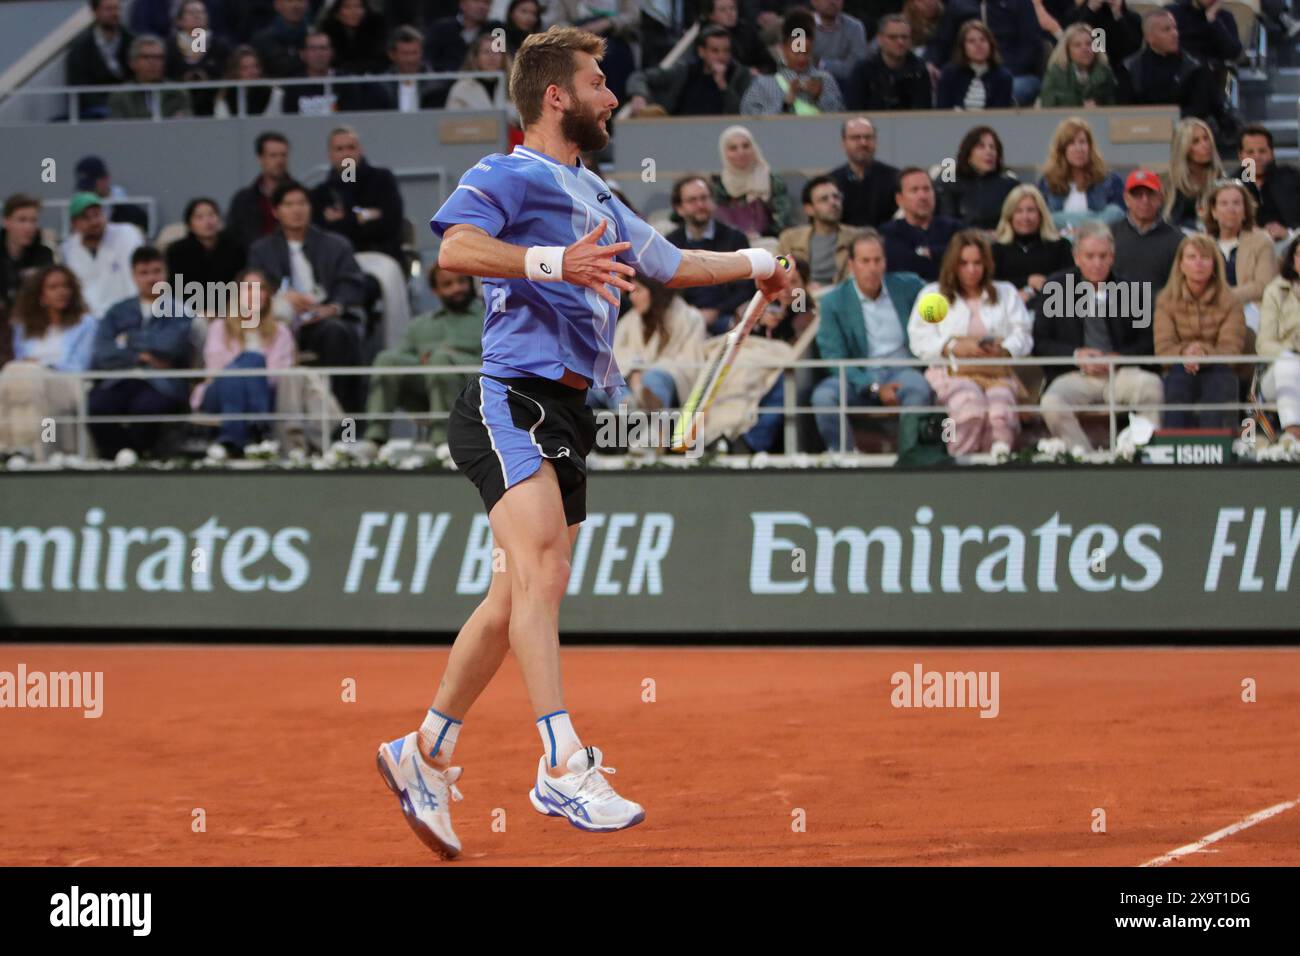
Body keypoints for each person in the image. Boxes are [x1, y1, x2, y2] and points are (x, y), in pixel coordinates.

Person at [384, 24, 795, 858]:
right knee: (539, 572)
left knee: (513, 601)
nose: (614, 97)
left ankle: (422, 752)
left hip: (569, 413)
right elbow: (457, 247)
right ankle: (562, 760)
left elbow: (672, 265)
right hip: (510, 398)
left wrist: (758, 260)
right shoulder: (506, 171)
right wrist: (553, 266)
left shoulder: (598, 194)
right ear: (557, 96)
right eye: (600, 83)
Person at [1030, 221, 1162, 450]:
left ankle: (1143, 452)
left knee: (1152, 386)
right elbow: (1041, 343)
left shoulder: (1131, 290)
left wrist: (1119, 357)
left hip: (1119, 372)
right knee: (1051, 403)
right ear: (1077, 257)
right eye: (1090, 256)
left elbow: (1148, 342)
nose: (1097, 263)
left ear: (1112, 257)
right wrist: (1076, 355)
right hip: (1075, 373)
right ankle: (1085, 457)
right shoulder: (1055, 288)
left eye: (1103, 256)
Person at [907, 229, 1034, 454]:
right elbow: (920, 338)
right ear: (953, 264)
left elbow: (1022, 333)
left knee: (1000, 412)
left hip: (997, 374)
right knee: (969, 407)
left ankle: (999, 465)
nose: (972, 270)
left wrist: (1004, 350)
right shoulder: (934, 295)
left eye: (977, 263)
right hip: (951, 374)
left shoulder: (1005, 293)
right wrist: (953, 346)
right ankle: (954, 461)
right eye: (964, 263)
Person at [248, 181, 368, 412]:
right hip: (278, 323)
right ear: (275, 211)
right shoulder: (261, 250)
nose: (297, 210)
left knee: (336, 332)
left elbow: (354, 284)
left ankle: (342, 417)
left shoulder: (336, 245)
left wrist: (332, 308)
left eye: (302, 203)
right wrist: (280, 295)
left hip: (323, 321)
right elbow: (252, 288)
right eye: (289, 204)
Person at [811, 228, 931, 452]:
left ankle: (910, 457)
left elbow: (940, 301)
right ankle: (843, 458)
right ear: (851, 265)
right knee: (824, 396)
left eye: (877, 260)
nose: (872, 268)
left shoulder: (909, 286)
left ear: (885, 261)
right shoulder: (833, 302)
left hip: (903, 369)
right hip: (858, 375)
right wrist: (873, 387)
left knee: (919, 391)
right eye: (865, 261)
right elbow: (833, 357)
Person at [87, 246, 194, 458]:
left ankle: (134, 457)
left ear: (166, 273)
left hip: (162, 382)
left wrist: (127, 340)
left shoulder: (180, 311)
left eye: (156, 271)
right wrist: (139, 356)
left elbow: (170, 346)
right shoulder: (117, 311)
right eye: (144, 273)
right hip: (120, 379)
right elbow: (102, 353)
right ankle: (122, 456)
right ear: (133, 276)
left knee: (146, 408)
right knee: (97, 405)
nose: (151, 278)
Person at [364, 264, 484, 445]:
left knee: (440, 359)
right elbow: (401, 362)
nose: (457, 288)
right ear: (436, 291)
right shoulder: (420, 325)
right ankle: (375, 437)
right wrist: (428, 360)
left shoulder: (489, 319)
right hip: (425, 394)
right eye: (447, 284)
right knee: (386, 359)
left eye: (461, 281)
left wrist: (448, 357)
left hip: (475, 392)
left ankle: (443, 439)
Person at [191, 266, 297, 454]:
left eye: (261, 288)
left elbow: (277, 376)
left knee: (251, 361)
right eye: (248, 288)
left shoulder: (281, 332)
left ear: (268, 295)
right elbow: (215, 372)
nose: (254, 294)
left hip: (266, 394)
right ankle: (260, 428)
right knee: (248, 363)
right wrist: (249, 370)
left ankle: (231, 440)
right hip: (217, 393)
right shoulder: (219, 327)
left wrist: (249, 372)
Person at [0, 266, 97, 458]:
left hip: (68, 382)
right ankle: (12, 447)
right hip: (29, 381)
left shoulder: (86, 323)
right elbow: (20, 360)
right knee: (12, 375)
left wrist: (44, 367)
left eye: (65, 286)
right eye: (53, 287)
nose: (62, 292)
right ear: (40, 295)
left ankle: (45, 447)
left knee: (32, 379)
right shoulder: (24, 327)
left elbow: (80, 364)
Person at [1154, 234, 1247, 429]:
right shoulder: (1165, 300)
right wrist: (1186, 354)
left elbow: (1231, 351)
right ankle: (1175, 448)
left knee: (1218, 380)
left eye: (1205, 258)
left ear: (1215, 264)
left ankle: (1216, 449)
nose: (1199, 264)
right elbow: (1163, 350)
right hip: (1180, 368)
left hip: (1219, 367)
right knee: (1178, 379)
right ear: (1180, 264)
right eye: (1191, 257)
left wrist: (1202, 353)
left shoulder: (1231, 301)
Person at [590, 276, 707, 413]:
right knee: (601, 384)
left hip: (666, 382)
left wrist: (644, 373)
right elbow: (612, 358)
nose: (632, 298)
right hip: (628, 382)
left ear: (654, 291)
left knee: (654, 378)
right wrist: (634, 371)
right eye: (631, 292)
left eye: (638, 291)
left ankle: (650, 420)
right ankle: (626, 407)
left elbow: (689, 363)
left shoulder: (690, 318)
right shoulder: (630, 320)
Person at [665, 174, 755, 335]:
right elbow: (665, 287)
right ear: (679, 208)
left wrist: (716, 311)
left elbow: (746, 288)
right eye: (692, 200)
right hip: (684, 318)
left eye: (704, 198)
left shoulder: (734, 238)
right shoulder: (670, 243)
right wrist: (692, 314)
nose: (700, 205)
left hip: (726, 315)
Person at [309, 126, 405, 263]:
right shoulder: (320, 193)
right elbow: (324, 235)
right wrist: (364, 216)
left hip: (383, 257)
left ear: (360, 150)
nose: (346, 154)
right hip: (338, 262)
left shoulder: (383, 179)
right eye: (339, 149)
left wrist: (343, 219)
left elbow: (390, 224)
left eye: (351, 147)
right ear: (330, 155)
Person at [928, 0, 1042, 105]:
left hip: (1014, 74)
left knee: (1010, 87)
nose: (979, 43)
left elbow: (1030, 45)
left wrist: (1001, 72)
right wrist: (931, 63)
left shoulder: (1020, 3)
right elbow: (941, 41)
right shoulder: (957, 5)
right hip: (965, 71)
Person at [1118, 9, 1220, 126]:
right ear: (1150, 38)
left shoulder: (1194, 67)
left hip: (1185, 130)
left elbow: (1199, 109)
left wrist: (1167, 123)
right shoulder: (1130, 68)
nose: (1175, 33)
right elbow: (1125, 111)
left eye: (1175, 28)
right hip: (1142, 131)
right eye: (1167, 30)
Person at [624, 25, 752, 116]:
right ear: (702, 52)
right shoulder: (684, 72)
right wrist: (638, 95)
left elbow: (741, 115)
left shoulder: (740, 75)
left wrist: (723, 85)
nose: (721, 57)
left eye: (726, 51)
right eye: (715, 51)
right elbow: (639, 76)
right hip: (681, 135)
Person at [740, 7, 845, 114]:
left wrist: (819, 97)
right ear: (783, 48)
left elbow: (841, 121)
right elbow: (750, 121)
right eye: (796, 52)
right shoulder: (762, 85)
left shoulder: (825, 81)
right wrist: (785, 104)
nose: (801, 58)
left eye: (806, 52)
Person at [59, 193, 144, 317]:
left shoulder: (127, 234)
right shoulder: (66, 250)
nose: (94, 222)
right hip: (87, 319)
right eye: (86, 218)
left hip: (127, 314)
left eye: (97, 214)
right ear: (74, 223)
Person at [1035, 116, 1126, 230]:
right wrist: (1094, 220)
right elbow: (1042, 219)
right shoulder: (1047, 182)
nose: (1079, 148)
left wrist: (1061, 220)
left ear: (1090, 146)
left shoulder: (1109, 180)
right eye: (1071, 143)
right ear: (1062, 149)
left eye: (1082, 142)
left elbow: (1120, 213)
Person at [1201, 179, 1277, 312]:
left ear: (1245, 211)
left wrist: (1226, 297)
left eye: (1236, 203)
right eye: (1224, 203)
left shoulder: (1262, 241)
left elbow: (1263, 285)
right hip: (1208, 310)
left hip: (1250, 309)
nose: (1231, 209)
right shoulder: (1201, 244)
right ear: (1214, 211)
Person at [992, 184, 1074, 302]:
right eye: (1018, 211)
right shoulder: (996, 249)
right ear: (1010, 216)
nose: (1025, 217)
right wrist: (1028, 281)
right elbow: (991, 286)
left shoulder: (1061, 246)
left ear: (1041, 214)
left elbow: (1070, 283)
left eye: (1031, 210)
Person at [709, 125, 792, 241]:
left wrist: (762, 234)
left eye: (746, 146)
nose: (741, 152)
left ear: (754, 148)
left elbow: (783, 217)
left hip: (769, 240)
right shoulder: (718, 185)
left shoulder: (772, 179)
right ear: (724, 153)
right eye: (733, 148)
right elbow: (716, 220)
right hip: (730, 243)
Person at [881, 166, 964, 281]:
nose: (923, 196)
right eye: (914, 190)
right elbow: (902, 266)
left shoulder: (954, 228)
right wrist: (944, 254)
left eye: (927, 189)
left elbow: (965, 258)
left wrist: (931, 252)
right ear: (899, 199)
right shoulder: (889, 233)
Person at [778, 175, 856, 291]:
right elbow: (780, 268)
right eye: (824, 199)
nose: (833, 202)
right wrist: (804, 286)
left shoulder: (856, 238)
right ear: (809, 209)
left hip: (841, 299)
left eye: (836, 197)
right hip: (802, 297)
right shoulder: (789, 239)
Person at [1112, 168, 1184, 293]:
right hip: (1117, 309)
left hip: (1160, 309)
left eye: (1150, 193)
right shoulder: (1109, 236)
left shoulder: (1178, 240)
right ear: (1126, 199)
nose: (1145, 200)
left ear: (1161, 198)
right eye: (1137, 194)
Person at [1257, 237, 1300, 440]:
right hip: (1279, 374)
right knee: (1288, 364)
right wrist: (1292, 351)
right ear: (1292, 259)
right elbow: (1263, 344)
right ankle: (1293, 434)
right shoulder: (1276, 291)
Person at [935, 125, 1018, 230]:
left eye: (993, 147)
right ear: (968, 153)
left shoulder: (1009, 185)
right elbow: (946, 220)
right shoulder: (949, 182)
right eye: (981, 146)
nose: (989, 152)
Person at [845, 14, 933, 111]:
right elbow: (854, 110)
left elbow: (923, 112)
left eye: (904, 37)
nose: (900, 42)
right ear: (880, 39)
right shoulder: (863, 70)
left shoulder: (919, 71)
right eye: (893, 37)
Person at [66, 0, 134, 120]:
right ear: (95, 12)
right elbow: (79, 86)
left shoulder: (132, 41)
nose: (114, 13)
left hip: (130, 107)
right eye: (108, 9)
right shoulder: (81, 47)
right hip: (96, 111)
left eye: (117, 8)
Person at [829, 117, 900, 229]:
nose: (863, 143)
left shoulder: (895, 178)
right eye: (855, 138)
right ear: (843, 143)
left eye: (868, 137)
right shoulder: (830, 182)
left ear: (876, 141)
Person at [1234, 125, 1300, 243]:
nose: (1257, 157)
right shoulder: (1232, 185)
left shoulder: (1293, 178)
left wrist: (1289, 232)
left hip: (1291, 246)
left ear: (1272, 153)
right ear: (1241, 156)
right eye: (1250, 152)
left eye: (1262, 151)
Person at [227, 132, 292, 251]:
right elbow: (233, 239)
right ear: (260, 158)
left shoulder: (304, 196)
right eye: (273, 155)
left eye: (283, 155)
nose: (279, 160)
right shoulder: (243, 200)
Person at [165, 0, 230, 116]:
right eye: (191, 12)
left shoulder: (220, 46)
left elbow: (226, 74)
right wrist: (183, 79)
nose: (197, 15)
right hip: (177, 105)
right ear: (179, 21)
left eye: (201, 12)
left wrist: (207, 79)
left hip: (211, 104)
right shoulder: (169, 46)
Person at [165, 198, 247, 288]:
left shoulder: (235, 248)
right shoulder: (177, 251)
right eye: (199, 217)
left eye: (212, 215)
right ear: (189, 225)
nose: (208, 222)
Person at [108, 34, 195, 118]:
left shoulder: (178, 93)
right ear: (132, 63)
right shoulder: (121, 96)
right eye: (146, 57)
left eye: (158, 57)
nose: (153, 63)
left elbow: (186, 125)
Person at [935, 20, 1015, 110]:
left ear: (991, 44)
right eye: (971, 41)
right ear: (963, 47)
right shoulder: (949, 74)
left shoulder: (1003, 77)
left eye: (983, 40)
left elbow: (1000, 115)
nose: (978, 45)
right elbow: (942, 112)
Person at [1039, 21, 1118, 107]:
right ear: (1067, 49)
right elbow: (1048, 104)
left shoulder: (1105, 73)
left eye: (1089, 44)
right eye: (1077, 45)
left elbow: (1114, 105)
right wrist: (1080, 105)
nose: (1084, 49)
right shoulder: (1055, 73)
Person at [0, 194, 55, 317]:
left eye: (33, 221)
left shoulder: (44, 254)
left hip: (33, 320)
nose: (29, 227)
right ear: (6, 222)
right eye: (22, 220)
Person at [1165, 117, 1223, 232]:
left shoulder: (1222, 181)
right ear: (1184, 148)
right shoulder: (1169, 184)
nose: (1205, 145)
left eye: (1206, 139)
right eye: (1196, 141)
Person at [695, 0, 778, 74]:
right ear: (711, 15)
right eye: (722, 10)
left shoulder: (746, 29)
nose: (730, 14)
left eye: (732, 8)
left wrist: (758, 70)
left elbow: (769, 63)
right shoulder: (707, 39)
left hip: (757, 80)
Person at [375, 25, 444, 112]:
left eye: (414, 53)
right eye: (405, 54)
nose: (410, 60)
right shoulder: (380, 87)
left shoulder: (435, 86)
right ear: (392, 55)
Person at [446, 33, 515, 111]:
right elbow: (451, 121)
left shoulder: (515, 88)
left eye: (497, 52)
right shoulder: (461, 88)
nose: (492, 57)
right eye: (486, 52)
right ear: (476, 58)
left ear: (504, 57)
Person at [810, 0, 869, 89]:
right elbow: (797, 63)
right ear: (814, 1)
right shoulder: (799, 26)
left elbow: (856, 68)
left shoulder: (856, 27)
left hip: (845, 90)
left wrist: (820, 63)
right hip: (806, 86)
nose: (832, 1)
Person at [1063, 0, 1142, 67]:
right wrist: (1090, 10)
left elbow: (1132, 49)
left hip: (1117, 69)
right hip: (1084, 69)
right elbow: (1070, 39)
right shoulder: (1076, 14)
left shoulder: (1132, 18)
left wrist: (1118, 15)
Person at [318, 0, 387, 76]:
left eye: (358, 7)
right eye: (347, 7)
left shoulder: (376, 27)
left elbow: (380, 58)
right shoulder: (327, 30)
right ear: (337, 12)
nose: (354, 12)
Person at [213, 45, 284, 118]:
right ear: (235, 72)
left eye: (255, 66)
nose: (252, 72)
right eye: (245, 68)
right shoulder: (224, 96)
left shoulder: (274, 94)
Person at [252, 0, 312, 78]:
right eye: (289, 1)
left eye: (300, 1)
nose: (296, 6)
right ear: (277, 4)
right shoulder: (262, 40)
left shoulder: (316, 39)